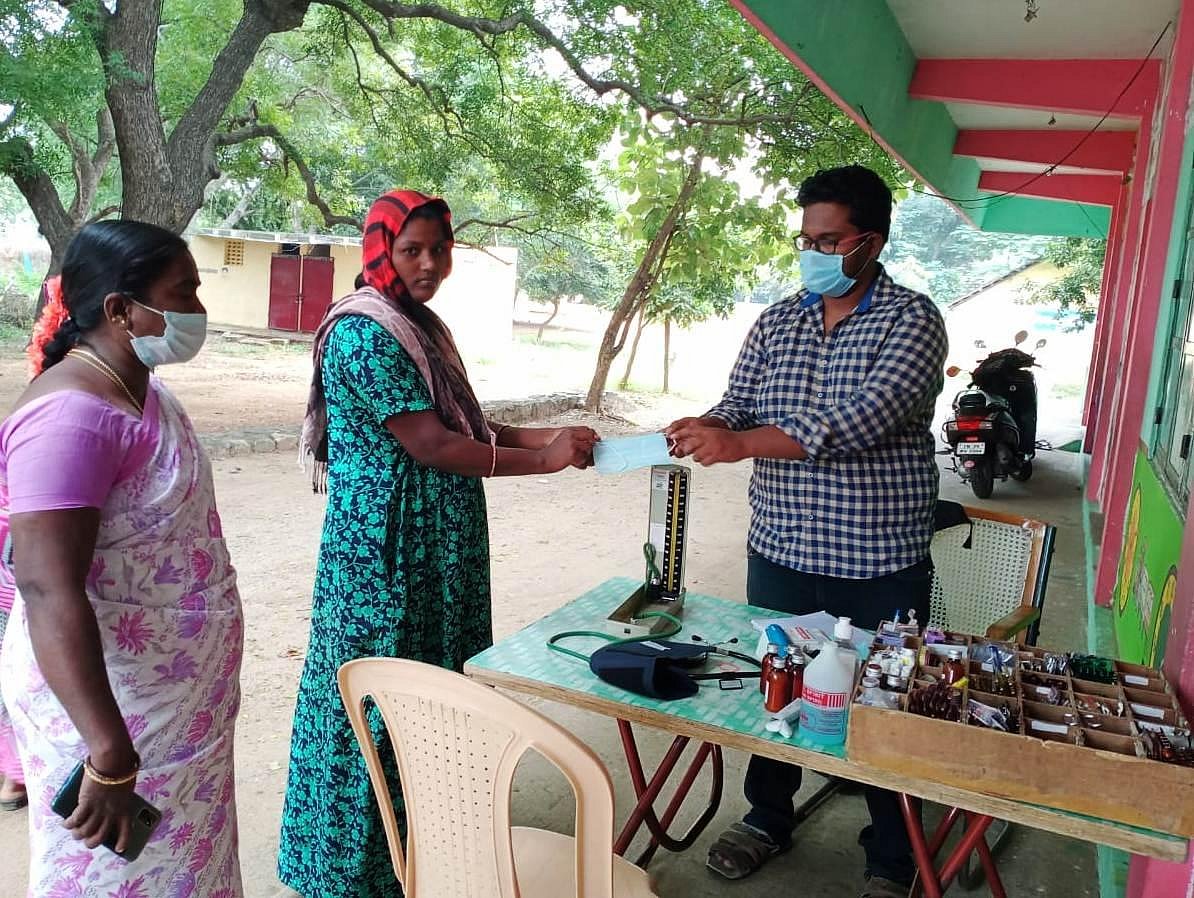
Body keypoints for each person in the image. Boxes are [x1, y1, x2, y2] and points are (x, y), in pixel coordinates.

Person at [278, 189, 599, 898]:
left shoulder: (419, 326)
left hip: (436, 549)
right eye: (411, 250)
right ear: (379, 251)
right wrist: (542, 462)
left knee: (436, 697)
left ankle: (432, 857)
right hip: (386, 558)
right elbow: (430, 443)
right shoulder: (367, 332)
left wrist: (548, 440)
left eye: (439, 249)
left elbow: (468, 423)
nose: (428, 264)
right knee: (382, 701)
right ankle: (352, 876)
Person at [666, 165, 948, 898]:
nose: (813, 251)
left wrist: (743, 443)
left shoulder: (911, 320)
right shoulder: (778, 321)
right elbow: (740, 400)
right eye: (806, 239)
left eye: (830, 239)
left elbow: (860, 421)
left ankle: (891, 855)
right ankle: (767, 817)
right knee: (778, 687)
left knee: (884, 707)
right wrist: (711, 425)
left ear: (870, 242)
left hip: (877, 558)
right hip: (784, 550)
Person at [0, 221, 244, 896]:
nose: (197, 309)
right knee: (115, 881)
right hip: (113, 727)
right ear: (119, 309)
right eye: (183, 292)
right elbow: (47, 589)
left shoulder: (144, 391)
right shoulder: (71, 419)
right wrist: (107, 753)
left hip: (174, 719)